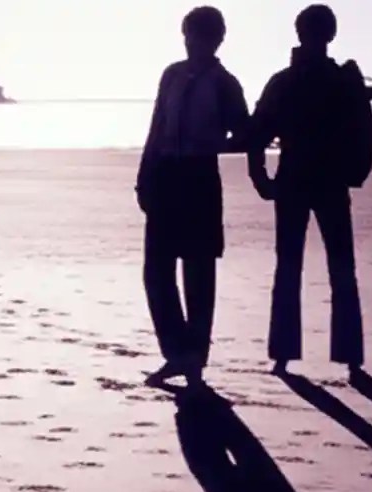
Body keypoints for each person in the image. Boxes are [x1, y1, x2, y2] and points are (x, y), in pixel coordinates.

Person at [249, 4, 372, 377]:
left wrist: (262, 178)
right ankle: (347, 358)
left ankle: (287, 355)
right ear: (328, 35)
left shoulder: (289, 81)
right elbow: (363, 131)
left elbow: (258, 132)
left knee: (293, 267)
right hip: (323, 182)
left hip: (299, 181)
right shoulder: (336, 80)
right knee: (337, 269)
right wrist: (261, 178)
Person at [137, 6, 249, 387]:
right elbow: (156, 126)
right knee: (156, 271)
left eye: (200, 37)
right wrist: (144, 173)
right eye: (188, 36)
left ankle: (194, 358)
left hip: (200, 176)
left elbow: (245, 134)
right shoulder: (170, 75)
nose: (192, 43)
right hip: (166, 175)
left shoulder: (225, 83)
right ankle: (176, 351)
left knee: (199, 273)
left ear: (217, 40)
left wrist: (216, 143)